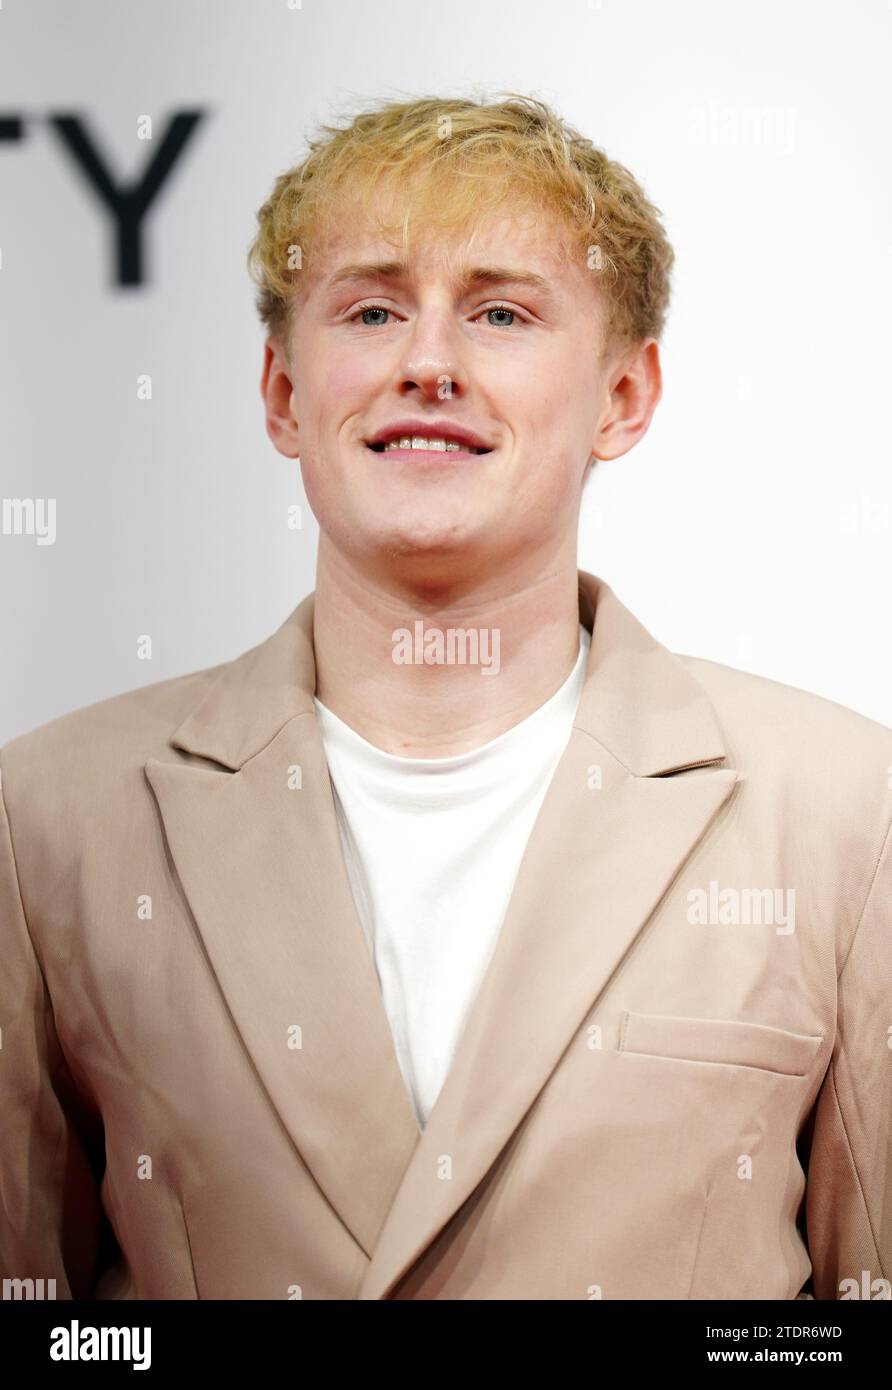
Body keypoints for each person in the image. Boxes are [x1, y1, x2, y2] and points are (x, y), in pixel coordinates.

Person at [1, 93, 890, 1302]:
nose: (428, 363)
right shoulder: (50, 816)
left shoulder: (845, 815)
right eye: (371, 309)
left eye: (501, 313)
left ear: (623, 399)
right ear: (281, 393)